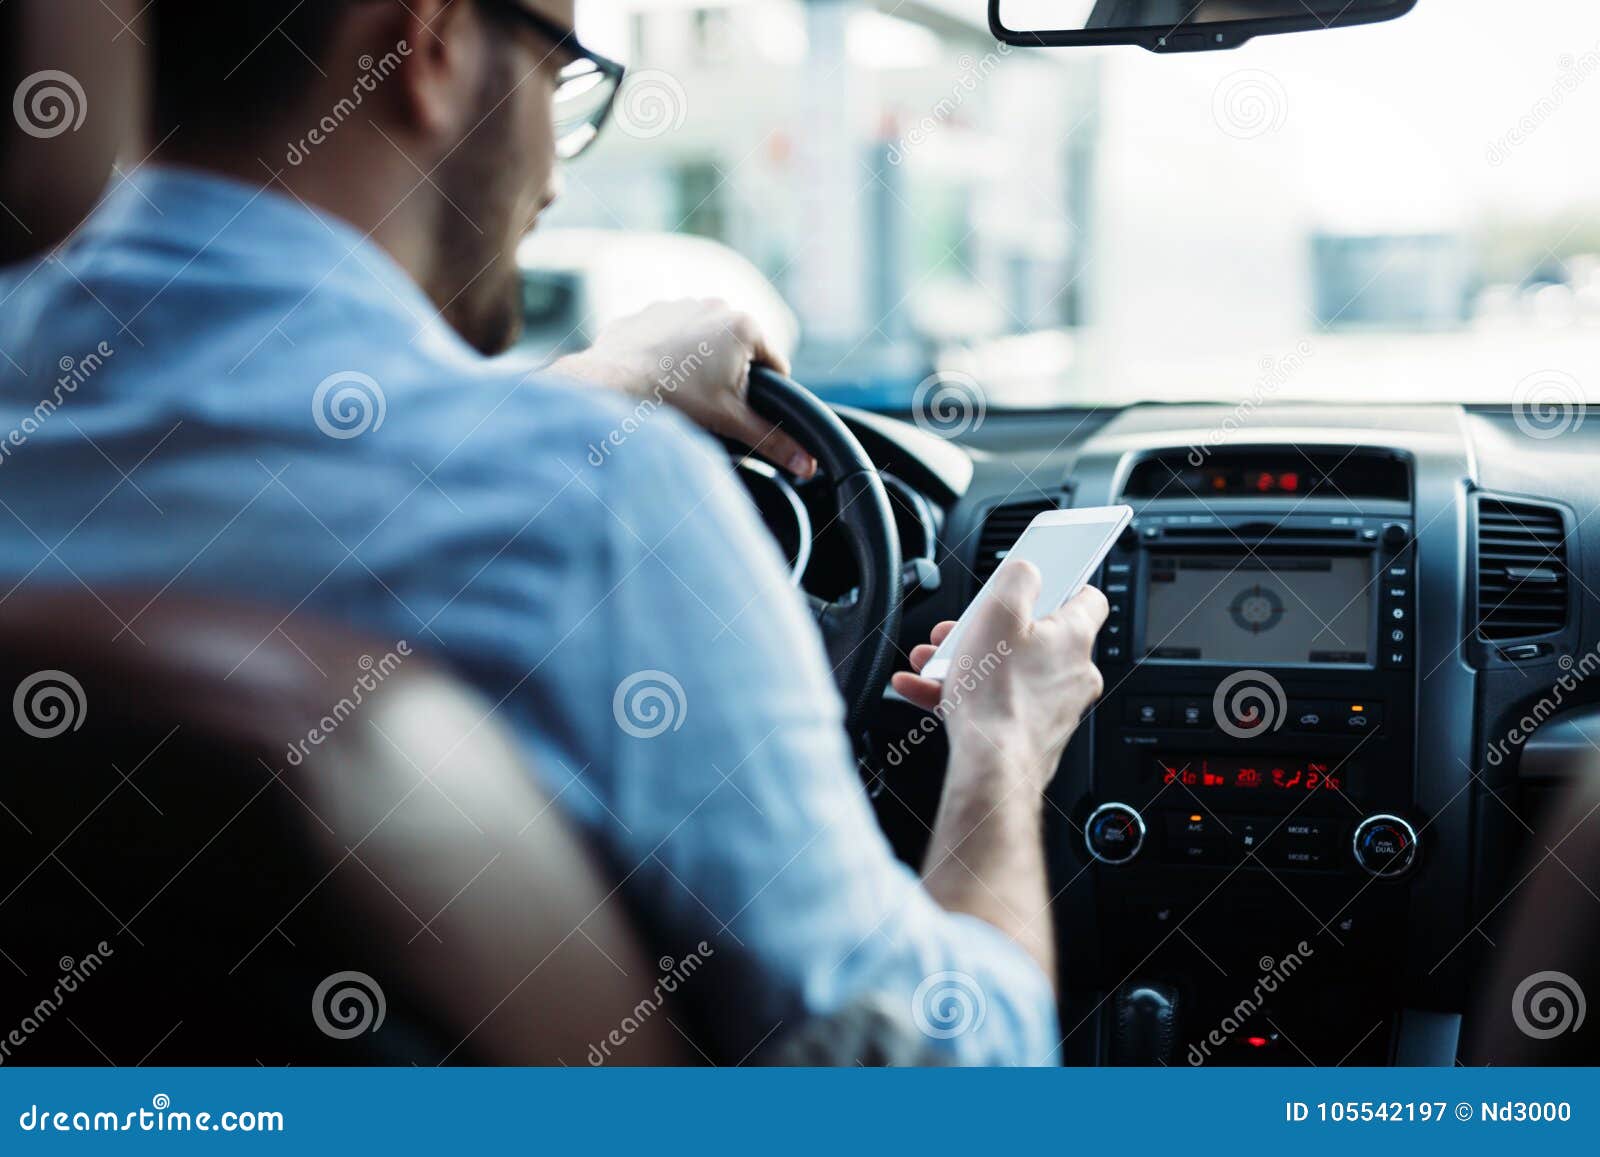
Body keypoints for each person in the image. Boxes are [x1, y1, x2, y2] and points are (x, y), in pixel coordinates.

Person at [0, 0, 1107, 1064]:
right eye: (560, 71)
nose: (558, 170)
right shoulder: (601, 513)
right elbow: (938, 1086)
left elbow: (262, 479)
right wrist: (999, 747)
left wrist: (582, 394)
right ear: (429, 41)